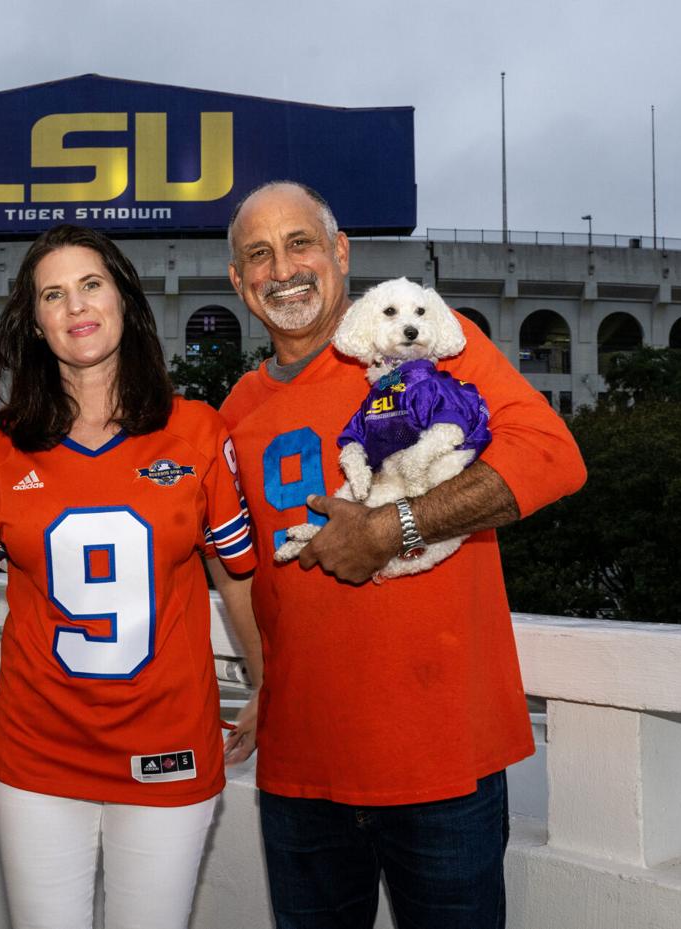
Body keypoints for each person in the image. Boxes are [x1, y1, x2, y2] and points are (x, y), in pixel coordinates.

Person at [220, 181, 586, 929]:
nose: (282, 268)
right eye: (258, 254)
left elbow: (554, 454)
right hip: (302, 768)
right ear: (238, 281)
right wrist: (265, 680)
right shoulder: (235, 412)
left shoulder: (422, 346)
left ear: (340, 254)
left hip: (440, 759)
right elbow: (246, 574)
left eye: (301, 244)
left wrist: (396, 528)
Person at [0, 224, 262, 929]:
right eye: (52, 294)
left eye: (90, 284)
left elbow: (238, 577)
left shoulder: (198, 431)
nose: (75, 306)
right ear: (33, 322)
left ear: (124, 299)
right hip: (38, 748)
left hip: (168, 741)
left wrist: (270, 681)